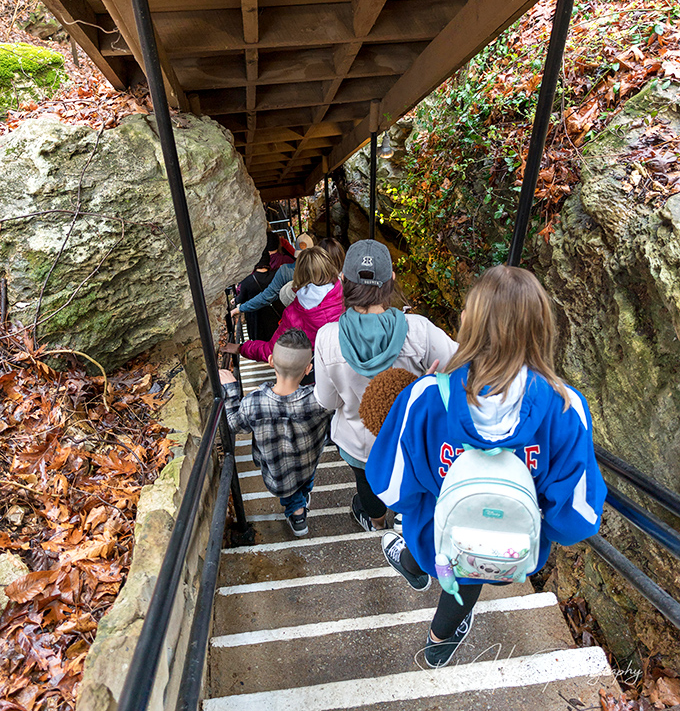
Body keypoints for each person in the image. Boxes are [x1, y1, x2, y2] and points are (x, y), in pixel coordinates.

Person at [365, 265, 607, 668]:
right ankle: (439, 643)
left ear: (469, 323)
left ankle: (414, 564)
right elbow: (578, 516)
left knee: (440, 553)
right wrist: (516, 518)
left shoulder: (425, 397)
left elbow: (388, 485)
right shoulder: (566, 407)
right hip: (510, 550)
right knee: (471, 578)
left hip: (436, 536)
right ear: (541, 328)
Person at [313, 239, 458, 533]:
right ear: (391, 280)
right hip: (411, 438)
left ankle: (377, 523)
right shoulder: (419, 329)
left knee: (366, 481)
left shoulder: (327, 337)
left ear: (342, 281)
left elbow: (327, 401)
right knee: (414, 473)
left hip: (359, 439)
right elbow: (461, 371)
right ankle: (409, 517)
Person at [220, 328, 331, 537]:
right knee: (304, 482)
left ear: (271, 361)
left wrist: (231, 390)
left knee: (290, 492)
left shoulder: (253, 402)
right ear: (308, 368)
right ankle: (302, 498)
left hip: (277, 470)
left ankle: (298, 516)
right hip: (308, 461)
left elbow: (234, 424)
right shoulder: (319, 401)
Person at [223, 246, 343, 364]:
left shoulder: (293, 314)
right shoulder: (348, 296)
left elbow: (273, 351)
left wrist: (241, 348)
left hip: (313, 374)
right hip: (350, 370)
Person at [230, 233, 314, 320]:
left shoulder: (286, 270)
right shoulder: (322, 269)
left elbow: (267, 296)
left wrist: (239, 309)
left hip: (295, 318)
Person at [236, 250, 282, 341]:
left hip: (256, 321)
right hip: (275, 318)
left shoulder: (247, 281)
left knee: (259, 345)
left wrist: (235, 300)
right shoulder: (277, 276)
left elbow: (241, 298)